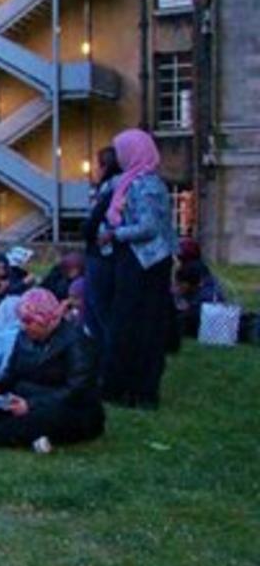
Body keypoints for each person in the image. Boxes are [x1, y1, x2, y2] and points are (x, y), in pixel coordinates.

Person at [0, 289, 105, 453]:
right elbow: (12, 374)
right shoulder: (23, 337)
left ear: (46, 319)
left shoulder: (76, 341)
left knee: (45, 418)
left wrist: (31, 405)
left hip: (67, 407)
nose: (23, 326)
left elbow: (77, 390)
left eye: (29, 321)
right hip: (24, 400)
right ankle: (26, 435)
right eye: (22, 321)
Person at [100, 129, 177, 409]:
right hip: (130, 262)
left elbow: (149, 227)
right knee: (124, 326)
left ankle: (142, 391)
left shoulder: (149, 185)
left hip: (148, 265)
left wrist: (115, 234)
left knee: (145, 329)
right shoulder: (126, 182)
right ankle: (119, 386)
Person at [81, 146, 121, 374]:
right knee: (93, 312)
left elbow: (99, 222)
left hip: (103, 254)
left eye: (97, 164)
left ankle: (107, 367)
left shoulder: (113, 188)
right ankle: (97, 364)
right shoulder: (102, 189)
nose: (94, 169)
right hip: (97, 253)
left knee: (100, 312)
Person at [173, 261, 225, 338]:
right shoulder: (194, 288)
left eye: (180, 284)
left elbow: (190, 310)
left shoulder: (207, 294)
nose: (178, 286)